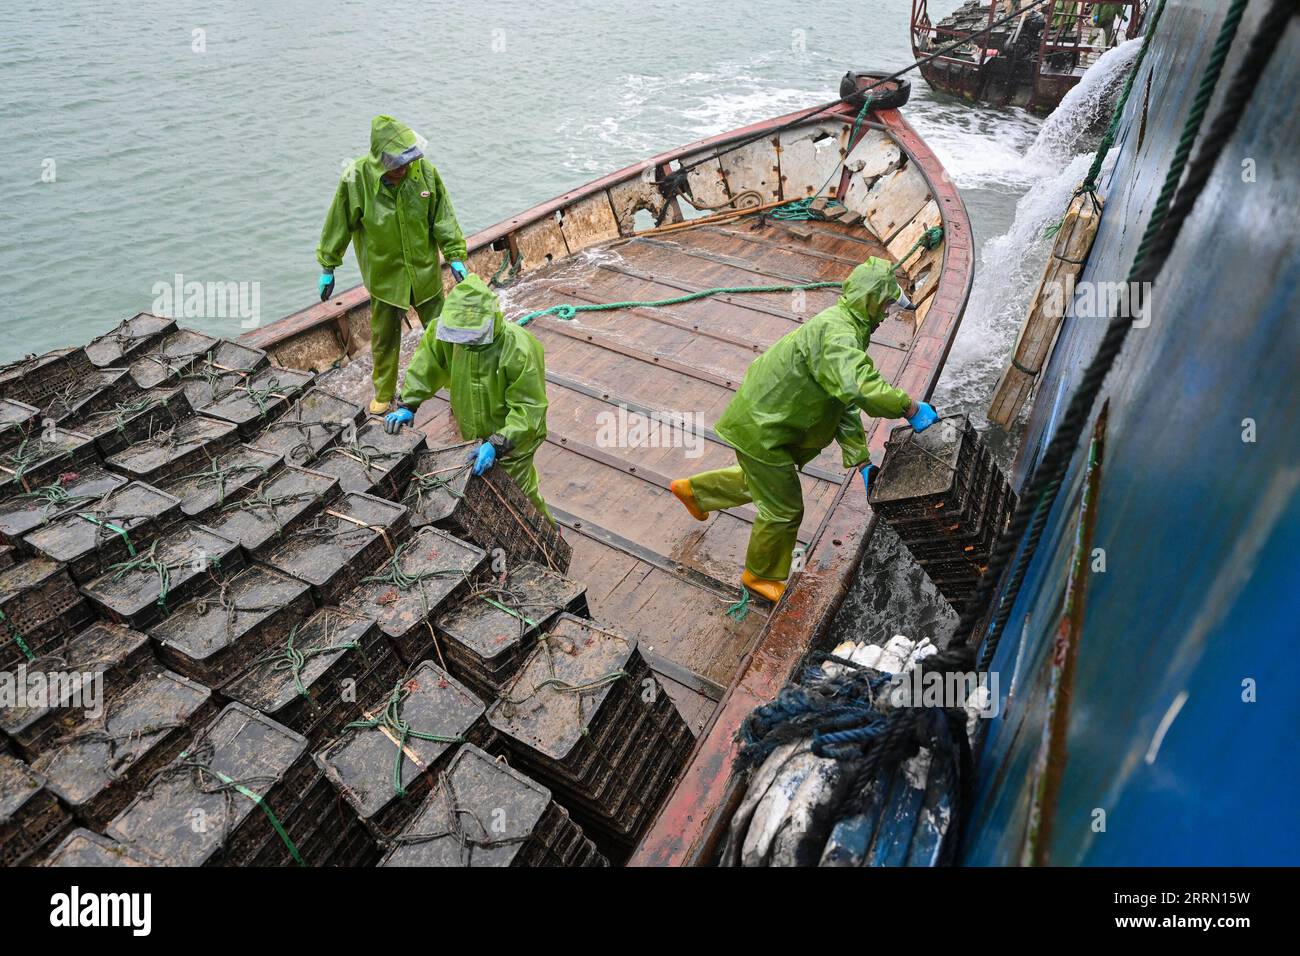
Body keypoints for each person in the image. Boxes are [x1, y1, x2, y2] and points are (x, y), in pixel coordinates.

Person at [670, 257, 939, 603]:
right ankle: (759, 576)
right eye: (886, 304)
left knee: (763, 482)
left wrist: (861, 461)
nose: (887, 313)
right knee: (784, 509)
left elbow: (841, 403)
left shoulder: (846, 326)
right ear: (871, 299)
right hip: (763, 427)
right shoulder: (839, 334)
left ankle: (694, 492)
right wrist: (910, 407)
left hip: (768, 421)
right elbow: (860, 386)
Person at [316, 115, 469, 414]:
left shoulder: (423, 172)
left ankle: (456, 386)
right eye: (397, 163)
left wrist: (455, 255)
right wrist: (328, 265)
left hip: (424, 273)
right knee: (385, 340)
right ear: (381, 159)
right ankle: (385, 392)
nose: (404, 168)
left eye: (408, 160)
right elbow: (338, 223)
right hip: (385, 279)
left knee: (443, 332)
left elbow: (443, 216)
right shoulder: (356, 178)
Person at [383, 273, 553, 523]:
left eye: (473, 337)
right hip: (473, 431)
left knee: (520, 491)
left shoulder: (519, 349)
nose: (466, 343)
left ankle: (547, 529)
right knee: (486, 488)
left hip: (515, 440)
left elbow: (529, 409)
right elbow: (427, 365)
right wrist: (408, 403)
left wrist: (497, 444)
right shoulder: (447, 333)